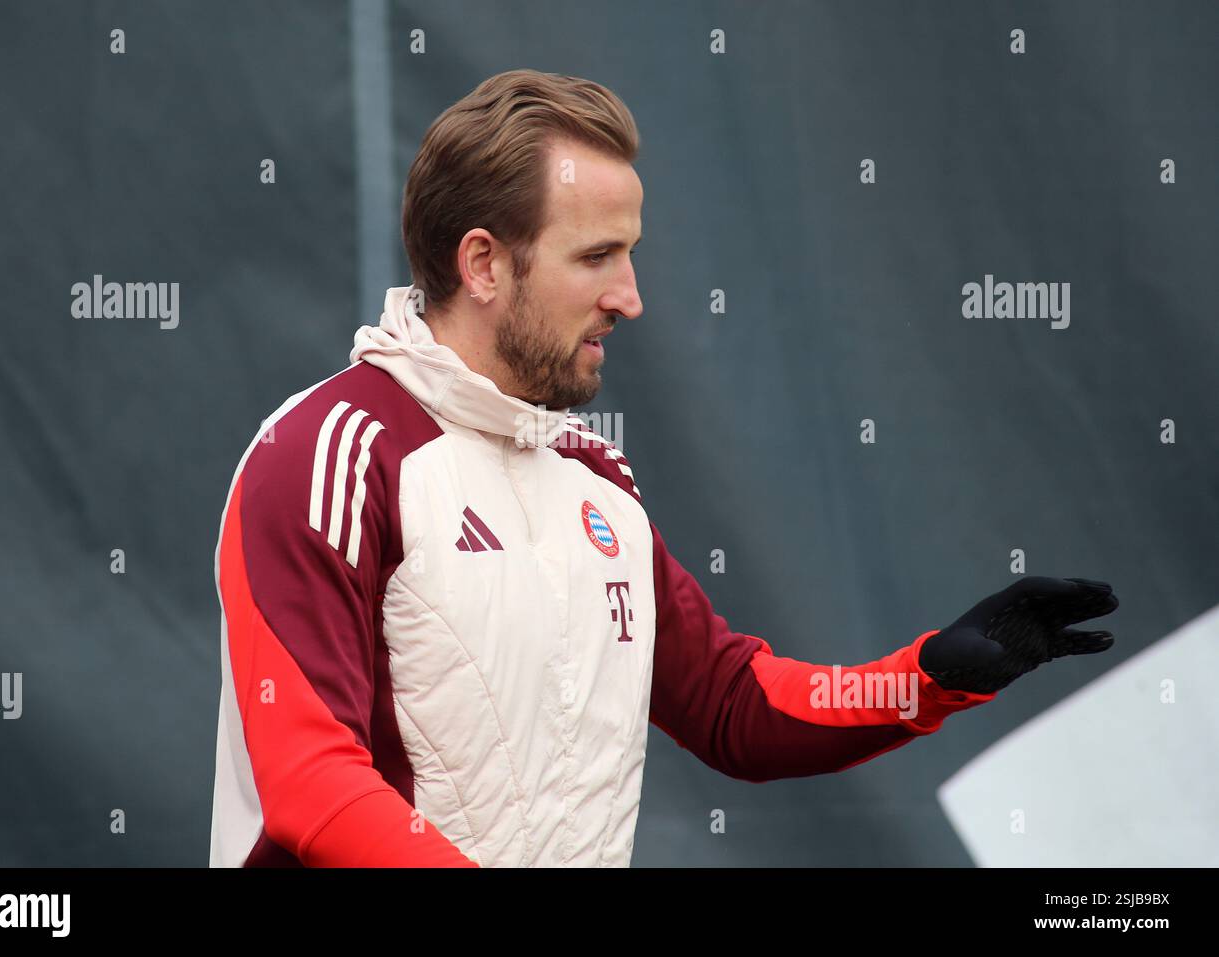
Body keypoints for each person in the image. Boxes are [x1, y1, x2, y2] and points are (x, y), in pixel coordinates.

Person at [208, 69, 1118, 867]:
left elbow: (731, 703)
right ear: (483, 263)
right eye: (597, 256)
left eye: (631, 253)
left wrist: (923, 676)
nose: (631, 299)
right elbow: (313, 785)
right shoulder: (326, 454)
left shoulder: (594, 478)